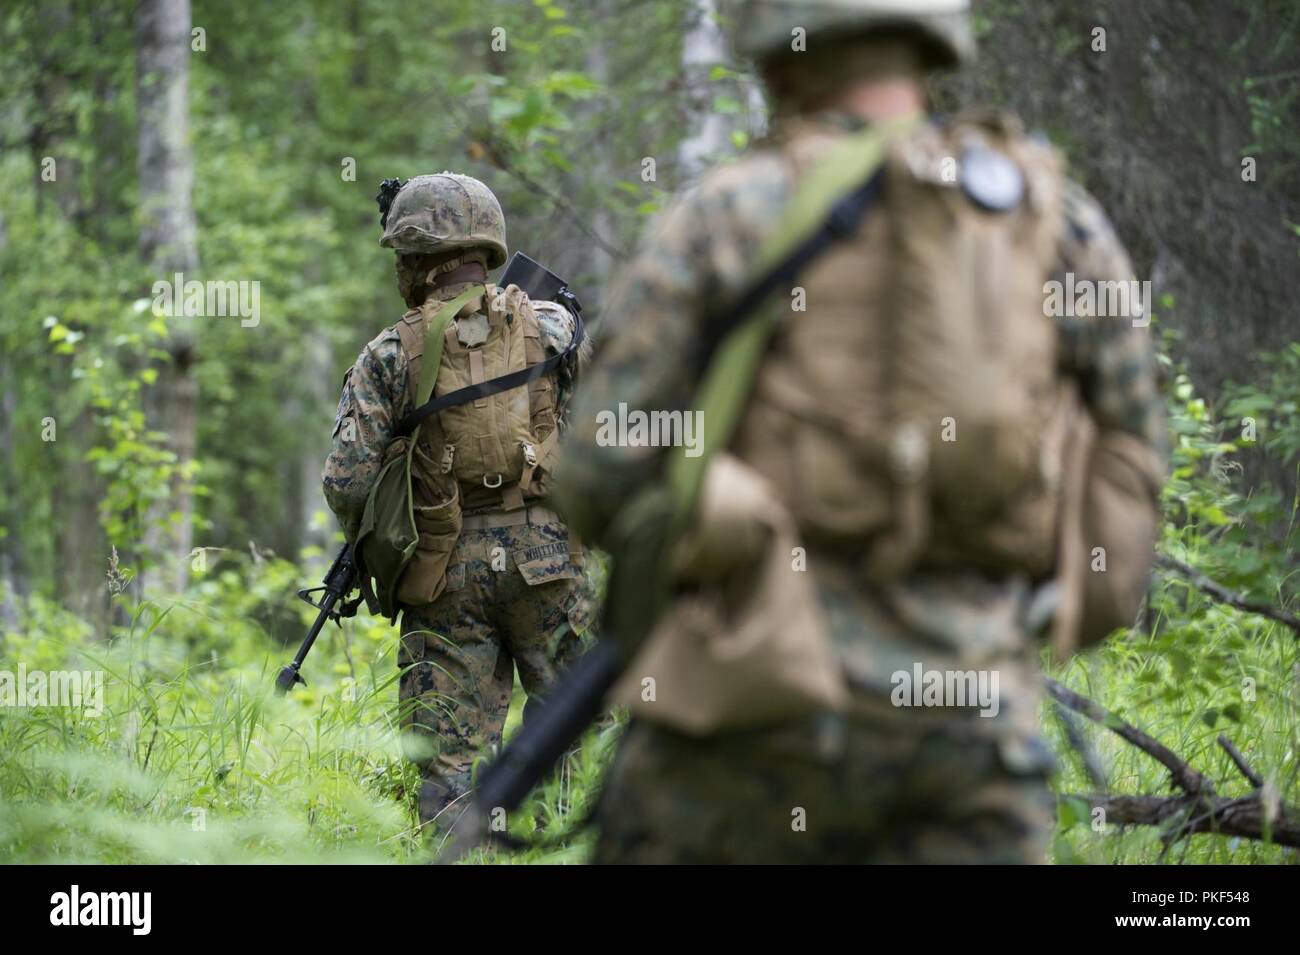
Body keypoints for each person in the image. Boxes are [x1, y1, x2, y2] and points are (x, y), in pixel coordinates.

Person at [551, 0, 1167, 863]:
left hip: (745, 724)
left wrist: (705, 507)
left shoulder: (730, 213)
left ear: (779, 61)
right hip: (971, 733)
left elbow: (592, 473)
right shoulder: (1054, 221)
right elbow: (1133, 464)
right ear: (929, 48)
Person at [323, 172, 592, 831]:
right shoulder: (555, 326)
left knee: (446, 761)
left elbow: (346, 481)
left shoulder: (389, 353)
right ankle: (568, 842)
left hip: (441, 573)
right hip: (548, 562)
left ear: (412, 263)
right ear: (488, 248)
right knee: (578, 730)